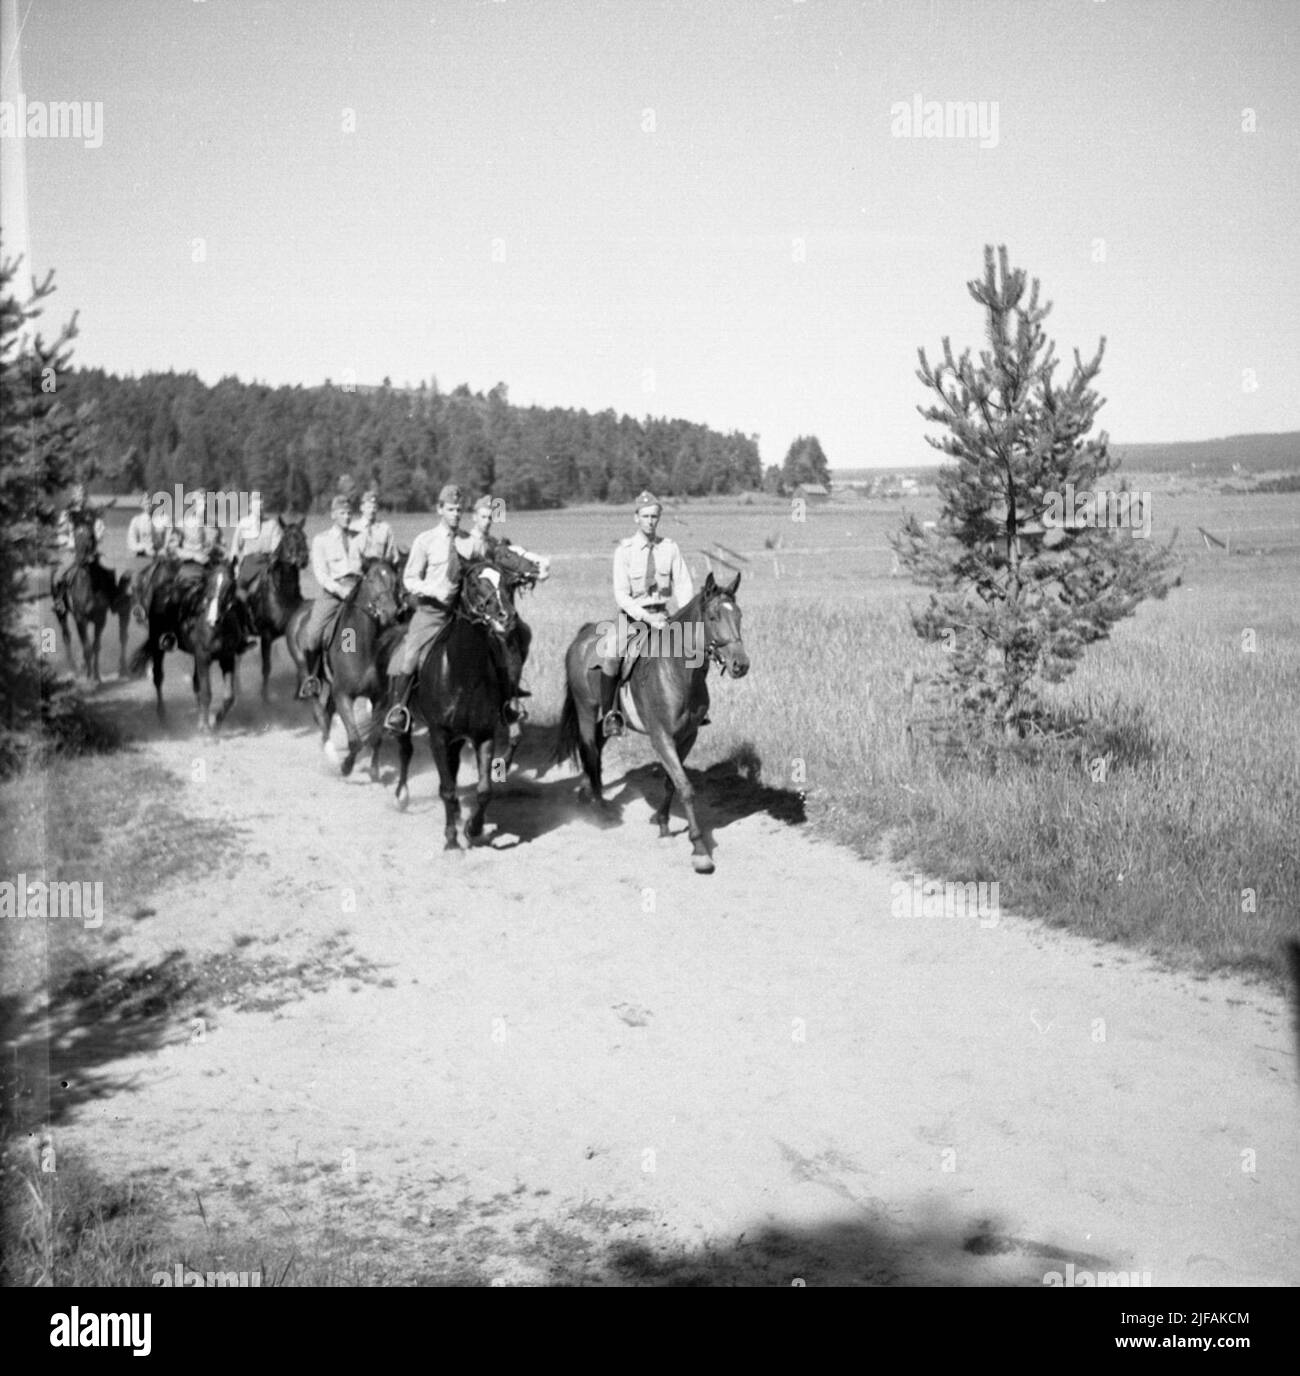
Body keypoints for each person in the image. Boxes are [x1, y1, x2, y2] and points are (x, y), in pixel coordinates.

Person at [598, 490, 694, 738]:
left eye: (654, 516)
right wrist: (647, 618)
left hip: (665, 615)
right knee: (611, 652)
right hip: (633, 618)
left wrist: (686, 618)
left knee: (694, 653)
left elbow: (683, 584)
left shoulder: (670, 548)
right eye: (645, 516)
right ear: (636, 517)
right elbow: (621, 594)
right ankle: (610, 715)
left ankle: (693, 710)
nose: (650, 521)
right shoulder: (625, 551)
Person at [382, 484, 466, 734]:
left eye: (459, 509)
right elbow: (410, 580)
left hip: (460, 615)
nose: (456, 514)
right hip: (431, 614)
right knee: (409, 657)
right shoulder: (426, 540)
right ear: (440, 509)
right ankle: (399, 709)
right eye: (451, 509)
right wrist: (433, 590)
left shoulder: (466, 541)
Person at [460, 494, 551, 722]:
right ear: (474, 517)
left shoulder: (494, 545)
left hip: (495, 607)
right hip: (471, 608)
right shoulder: (463, 544)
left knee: (522, 632)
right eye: (483, 517)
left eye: (490, 517)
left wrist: (521, 578)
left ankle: (510, 688)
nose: (487, 521)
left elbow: (505, 572)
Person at [299, 493, 363, 697]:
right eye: (343, 513)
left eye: (349, 513)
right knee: (313, 634)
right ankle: (313, 677)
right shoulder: (321, 540)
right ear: (333, 515)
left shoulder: (359, 537)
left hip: (360, 591)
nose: (347, 516)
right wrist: (340, 590)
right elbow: (321, 574)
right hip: (334, 594)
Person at [51, 482, 112, 616]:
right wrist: (69, 543)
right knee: (59, 575)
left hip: (90, 551)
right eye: (78, 494)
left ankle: (110, 600)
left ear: (85, 497)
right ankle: (60, 601)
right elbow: (61, 533)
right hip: (72, 552)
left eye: (83, 494)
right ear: (74, 496)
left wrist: (95, 541)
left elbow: (100, 529)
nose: (81, 497)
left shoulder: (92, 513)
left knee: (108, 572)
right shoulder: (67, 514)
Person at [230, 491, 282, 646]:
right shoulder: (243, 524)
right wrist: (234, 567)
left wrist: (272, 561)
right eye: (255, 503)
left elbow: (277, 548)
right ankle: (242, 629)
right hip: (248, 565)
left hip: (266, 564)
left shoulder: (272, 524)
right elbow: (235, 548)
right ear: (250, 506)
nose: (258, 506)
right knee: (236, 594)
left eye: (260, 503)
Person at [351, 487, 401, 564]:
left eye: (374, 507)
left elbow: (392, 554)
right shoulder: (353, 528)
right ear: (362, 508)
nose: (372, 510)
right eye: (369, 507)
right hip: (358, 570)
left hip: (378, 569)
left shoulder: (385, 528)